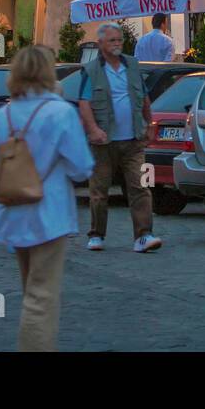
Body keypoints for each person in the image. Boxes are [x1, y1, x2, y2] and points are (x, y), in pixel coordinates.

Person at [0, 46, 94, 351]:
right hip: (50, 210)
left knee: (30, 287)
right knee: (41, 296)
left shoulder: (1, 116)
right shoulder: (61, 112)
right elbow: (81, 167)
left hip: (12, 208)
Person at [76, 23, 162, 254]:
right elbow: (84, 103)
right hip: (104, 141)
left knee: (141, 187)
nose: (116, 44)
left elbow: (143, 96)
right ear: (101, 43)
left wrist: (150, 123)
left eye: (119, 40)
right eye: (112, 40)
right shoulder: (92, 70)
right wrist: (93, 129)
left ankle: (144, 235)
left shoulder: (132, 65)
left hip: (133, 140)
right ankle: (96, 234)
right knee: (99, 191)